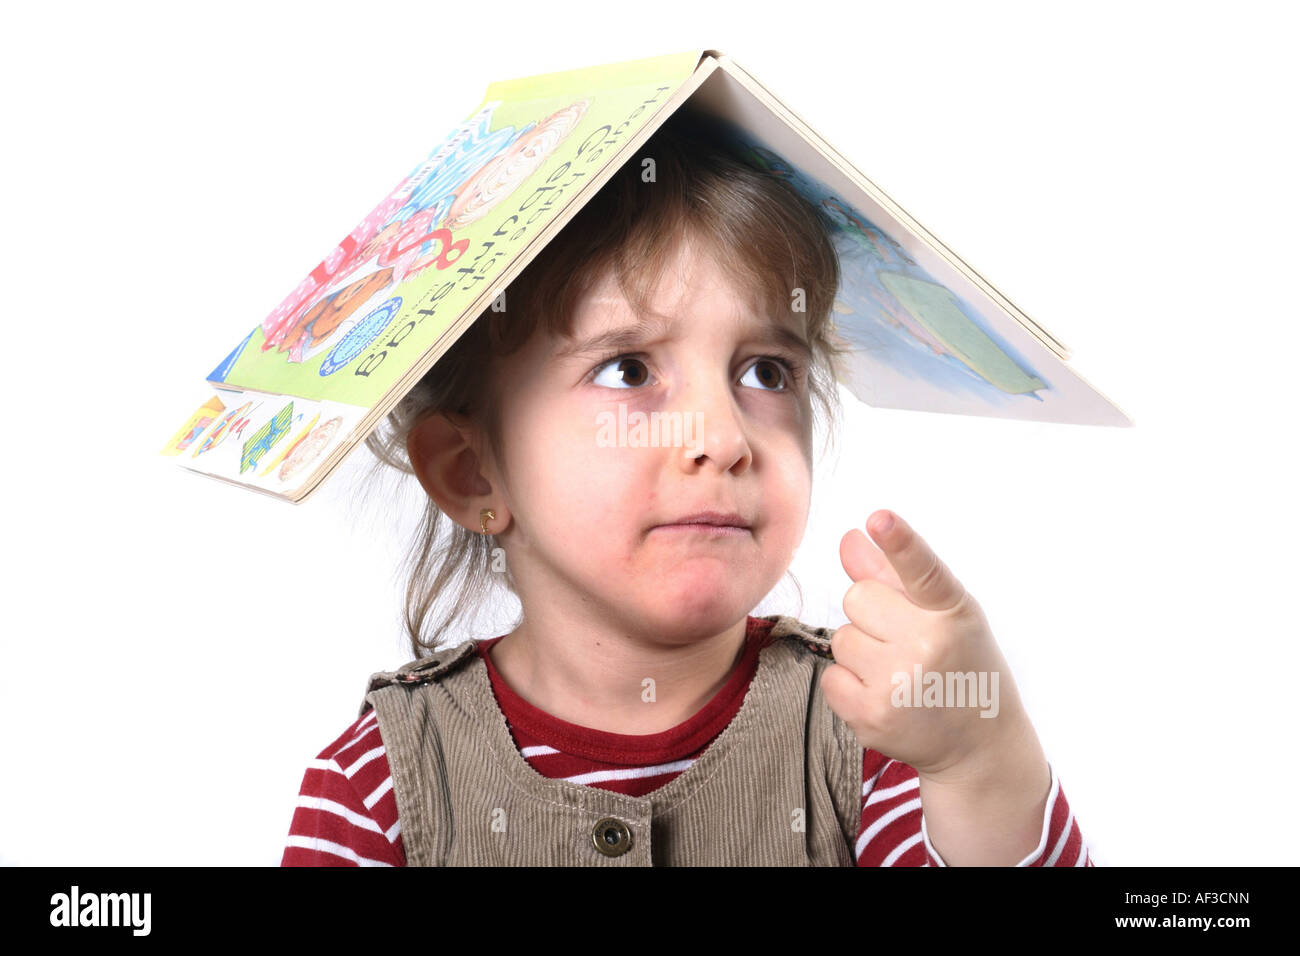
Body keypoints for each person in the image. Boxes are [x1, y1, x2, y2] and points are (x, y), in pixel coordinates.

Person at [281, 110, 1094, 867]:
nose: (722, 438)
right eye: (628, 368)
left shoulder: (870, 737)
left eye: (765, 372)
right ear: (471, 472)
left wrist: (982, 757)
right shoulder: (380, 785)